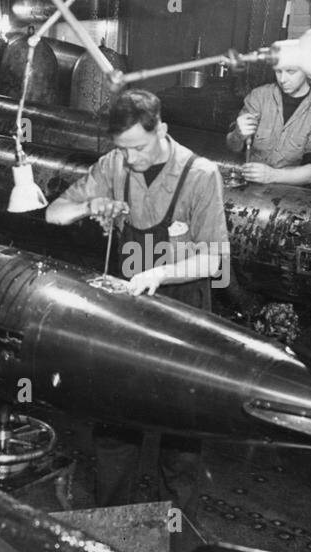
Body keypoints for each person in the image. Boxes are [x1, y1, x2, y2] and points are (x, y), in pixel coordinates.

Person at [46, 89, 228, 513]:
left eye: (138, 148)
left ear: (161, 129)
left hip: (183, 310)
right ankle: (113, 528)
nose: (130, 160)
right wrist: (92, 203)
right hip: (129, 312)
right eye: (121, 149)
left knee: (180, 436)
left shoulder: (200, 174)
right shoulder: (114, 165)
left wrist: (161, 272)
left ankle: (175, 535)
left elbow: (216, 257)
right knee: (115, 431)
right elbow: (54, 213)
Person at [225, 65, 311, 186]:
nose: (283, 79)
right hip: (253, 189)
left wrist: (272, 175)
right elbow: (233, 147)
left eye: (291, 72)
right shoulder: (259, 97)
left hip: (293, 195)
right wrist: (237, 134)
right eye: (278, 71)